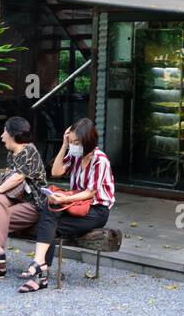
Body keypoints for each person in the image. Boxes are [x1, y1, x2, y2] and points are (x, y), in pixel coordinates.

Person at [18, 118, 115, 293]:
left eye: (76, 142)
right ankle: (40, 265)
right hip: (76, 203)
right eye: (71, 142)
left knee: (49, 222)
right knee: (50, 214)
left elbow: (90, 193)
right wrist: (64, 145)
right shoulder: (75, 155)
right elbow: (56, 172)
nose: (73, 146)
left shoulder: (100, 160)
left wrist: (62, 199)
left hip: (95, 211)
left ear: (88, 141)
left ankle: (40, 271)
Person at [0, 116, 48, 281]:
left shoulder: (29, 150)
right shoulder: (11, 154)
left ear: (13, 134)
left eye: (4, 131)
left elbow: (18, 177)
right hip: (16, 201)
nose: (1, 136)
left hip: (33, 206)